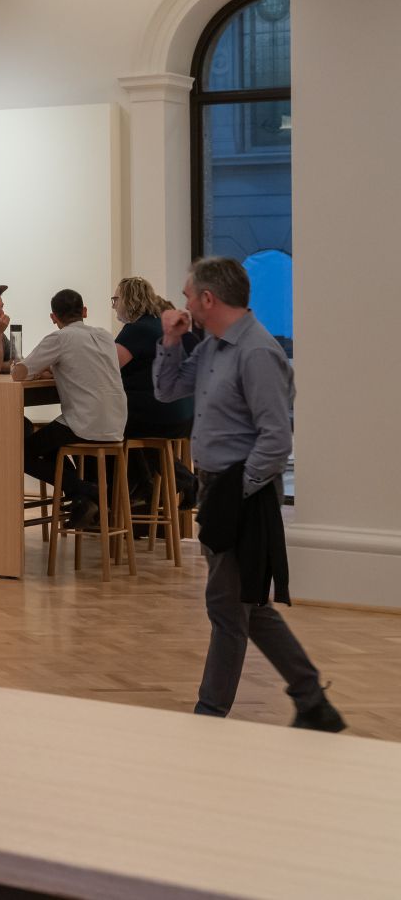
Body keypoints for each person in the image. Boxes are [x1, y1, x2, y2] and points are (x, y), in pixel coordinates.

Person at [154, 257, 344, 732]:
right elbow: (168, 388)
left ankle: (210, 714)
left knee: (225, 606)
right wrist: (172, 341)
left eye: (187, 295)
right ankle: (312, 700)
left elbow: (277, 437)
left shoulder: (257, 352)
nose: (183, 303)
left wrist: (239, 494)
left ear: (207, 299)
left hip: (242, 491)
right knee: (248, 605)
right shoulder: (213, 346)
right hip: (219, 487)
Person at [11, 290, 125, 531]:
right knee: (49, 442)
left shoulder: (59, 339)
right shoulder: (105, 336)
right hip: (116, 422)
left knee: (20, 451)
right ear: (84, 312)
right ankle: (81, 498)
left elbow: (19, 373)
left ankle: (84, 490)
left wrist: (40, 366)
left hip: (83, 422)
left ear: (54, 317)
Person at [112, 276, 197, 506]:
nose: (114, 306)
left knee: (108, 427)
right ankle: (152, 486)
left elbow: (108, 368)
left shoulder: (135, 329)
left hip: (160, 413)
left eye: (115, 300)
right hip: (184, 413)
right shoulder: (159, 324)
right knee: (130, 429)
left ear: (128, 300)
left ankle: (138, 490)